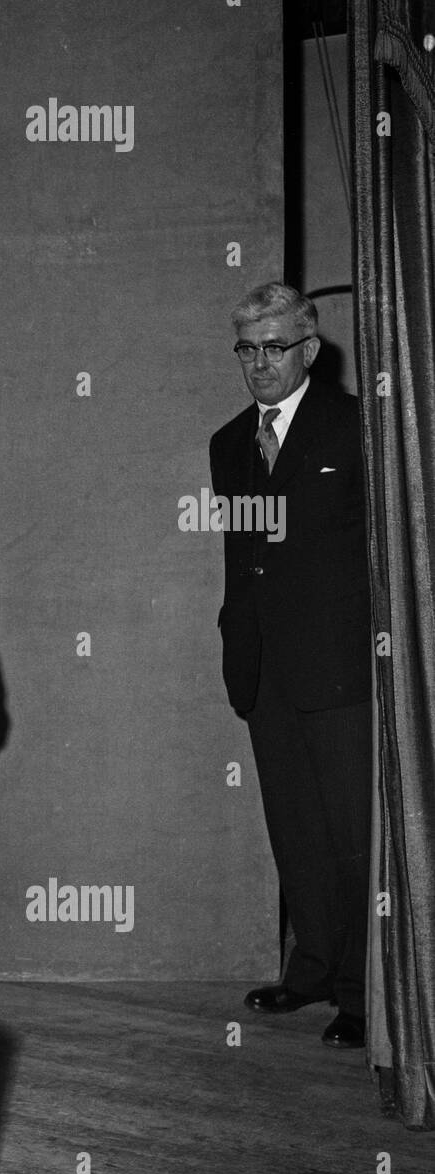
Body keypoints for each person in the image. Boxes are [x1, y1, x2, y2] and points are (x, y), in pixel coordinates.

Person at [210, 283, 372, 1050]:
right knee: (296, 831)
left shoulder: (356, 427)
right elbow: (243, 562)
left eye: (276, 346)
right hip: (264, 669)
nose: (261, 363)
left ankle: (363, 995)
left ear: (309, 349)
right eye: (248, 348)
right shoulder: (229, 442)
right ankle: (310, 967)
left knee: (351, 836)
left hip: (340, 669)